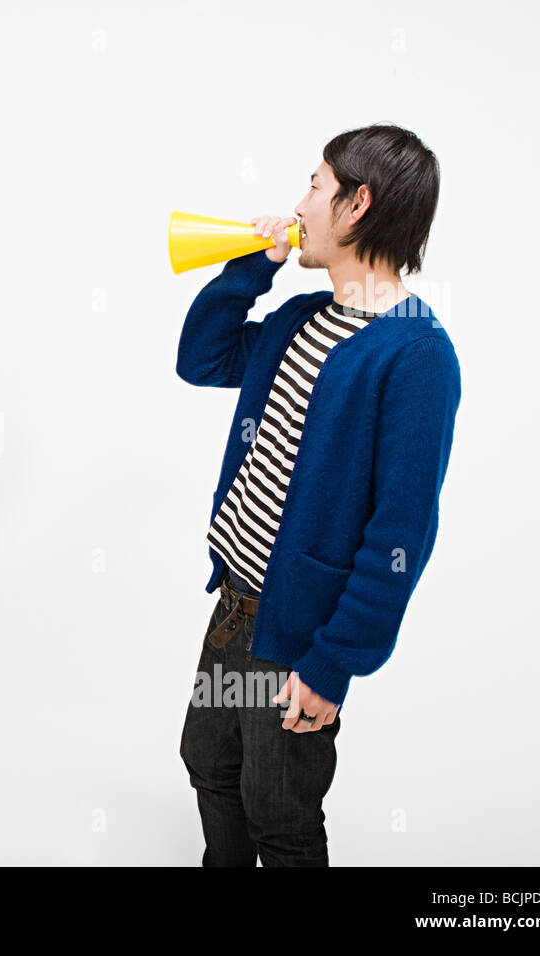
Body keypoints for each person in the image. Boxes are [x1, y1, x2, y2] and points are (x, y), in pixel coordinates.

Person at [175, 124, 459, 866]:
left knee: (281, 812)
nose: (298, 202)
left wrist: (333, 664)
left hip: (297, 635)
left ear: (358, 203)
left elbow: (401, 533)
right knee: (209, 762)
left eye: (314, 184)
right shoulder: (303, 319)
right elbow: (200, 359)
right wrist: (249, 268)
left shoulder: (416, 354)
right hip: (235, 606)